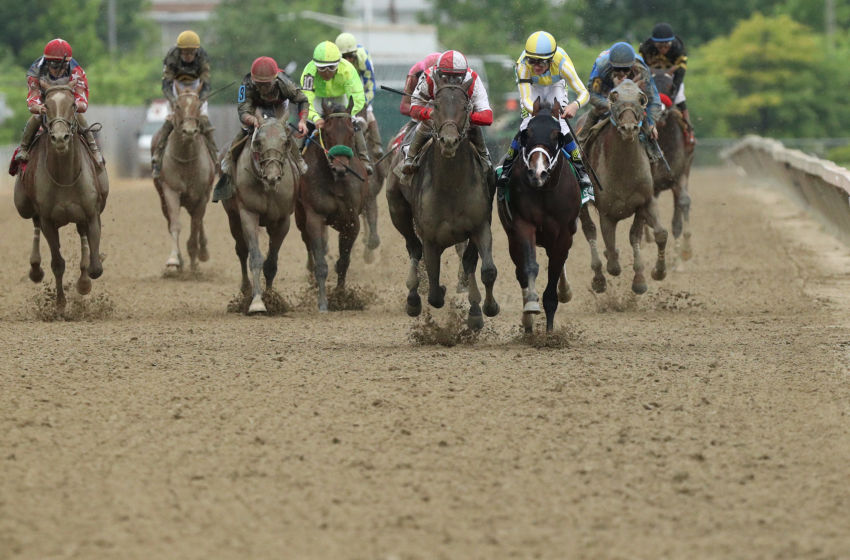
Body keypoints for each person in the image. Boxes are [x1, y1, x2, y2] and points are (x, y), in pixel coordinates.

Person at [496, 31, 594, 204]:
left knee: (561, 127)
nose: (535, 66)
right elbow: (526, 99)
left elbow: (584, 93)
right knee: (526, 125)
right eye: (531, 60)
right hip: (533, 87)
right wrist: (538, 112)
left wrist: (573, 105)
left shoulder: (562, 64)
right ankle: (506, 169)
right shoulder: (522, 66)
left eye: (540, 62)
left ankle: (583, 176)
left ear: (550, 59)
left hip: (555, 86)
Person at [212, 56, 309, 202]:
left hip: (279, 105)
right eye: (259, 84)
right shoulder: (246, 84)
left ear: (275, 80)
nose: (263, 88)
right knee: (246, 129)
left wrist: (302, 120)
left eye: (266, 84)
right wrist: (253, 120)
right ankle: (229, 158)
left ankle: (299, 161)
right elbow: (243, 111)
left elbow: (302, 100)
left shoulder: (285, 83)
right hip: (256, 107)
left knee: (283, 131)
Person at [401, 50, 493, 174]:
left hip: (462, 117)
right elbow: (414, 108)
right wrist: (430, 114)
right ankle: (410, 157)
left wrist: (467, 117)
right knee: (426, 123)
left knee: (474, 126)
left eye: (457, 77)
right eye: (446, 76)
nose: (451, 81)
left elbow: (488, 117)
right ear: (437, 71)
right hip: (438, 115)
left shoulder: (474, 80)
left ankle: (484, 157)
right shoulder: (429, 77)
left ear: (465, 74)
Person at [14, 38, 103, 167]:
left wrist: (74, 105)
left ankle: (94, 150)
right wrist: (39, 108)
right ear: (46, 62)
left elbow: (82, 101)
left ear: (69, 63)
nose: (60, 70)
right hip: (47, 104)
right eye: (55, 66)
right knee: (37, 117)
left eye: (64, 66)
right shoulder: (35, 71)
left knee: (78, 115)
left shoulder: (77, 71)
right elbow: (32, 100)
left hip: (68, 104)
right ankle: (23, 148)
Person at [151, 30, 217, 179]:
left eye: (191, 53)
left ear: (196, 51)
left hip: (196, 87)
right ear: (179, 52)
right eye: (185, 53)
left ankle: (215, 157)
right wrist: (174, 102)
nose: (188, 56)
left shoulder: (203, 57)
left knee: (205, 121)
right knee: (170, 121)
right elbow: (166, 85)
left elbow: (206, 84)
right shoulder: (171, 56)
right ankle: (158, 157)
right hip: (177, 87)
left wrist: (199, 100)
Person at [300, 40, 373, 175]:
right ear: (315, 66)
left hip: (341, 97)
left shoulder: (348, 70)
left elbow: (357, 97)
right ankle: (297, 160)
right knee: (304, 127)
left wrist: (348, 115)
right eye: (321, 69)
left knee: (353, 124)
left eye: (331, 68)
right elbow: (305, 99)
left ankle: (364, 159)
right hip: (317, 98)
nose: (326, 73)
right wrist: (315, 118)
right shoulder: (309, 72)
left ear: (338, 64)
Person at [583, 41, 663, 161]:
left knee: (647, 124)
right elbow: (592, 94)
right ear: (611, 65)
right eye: (618, 69)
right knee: (595, 112)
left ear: (632, 65)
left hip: (633, 95)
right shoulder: (601, 66)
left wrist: (652, 124)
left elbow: (654, 99)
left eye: (626, 70)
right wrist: (608, 104)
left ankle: (654, 154)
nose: (621, 74)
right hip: (607, 91)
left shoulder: (641, 67)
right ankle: (581, 146)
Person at [639, 22, 694, 143]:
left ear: (671, 43)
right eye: (660, 47)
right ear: (654, 44)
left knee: (680, 97)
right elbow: (641, 69)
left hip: (671, 78)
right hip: (651, 77)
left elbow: (680, 75)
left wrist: (673, 94)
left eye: (666, 46)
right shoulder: (646, 48)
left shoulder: (679, 50)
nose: (663, 49)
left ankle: (688, 129)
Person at [335, 32, 383, 159]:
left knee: (369, 113)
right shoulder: (333, 62)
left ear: (355, 53)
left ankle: (377, 145)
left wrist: (366, 104)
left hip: (360, 85)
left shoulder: (363, 58)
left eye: (351, 56)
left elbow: (370, 84)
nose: (349, 60)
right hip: (343, 87)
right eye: (344, 57)